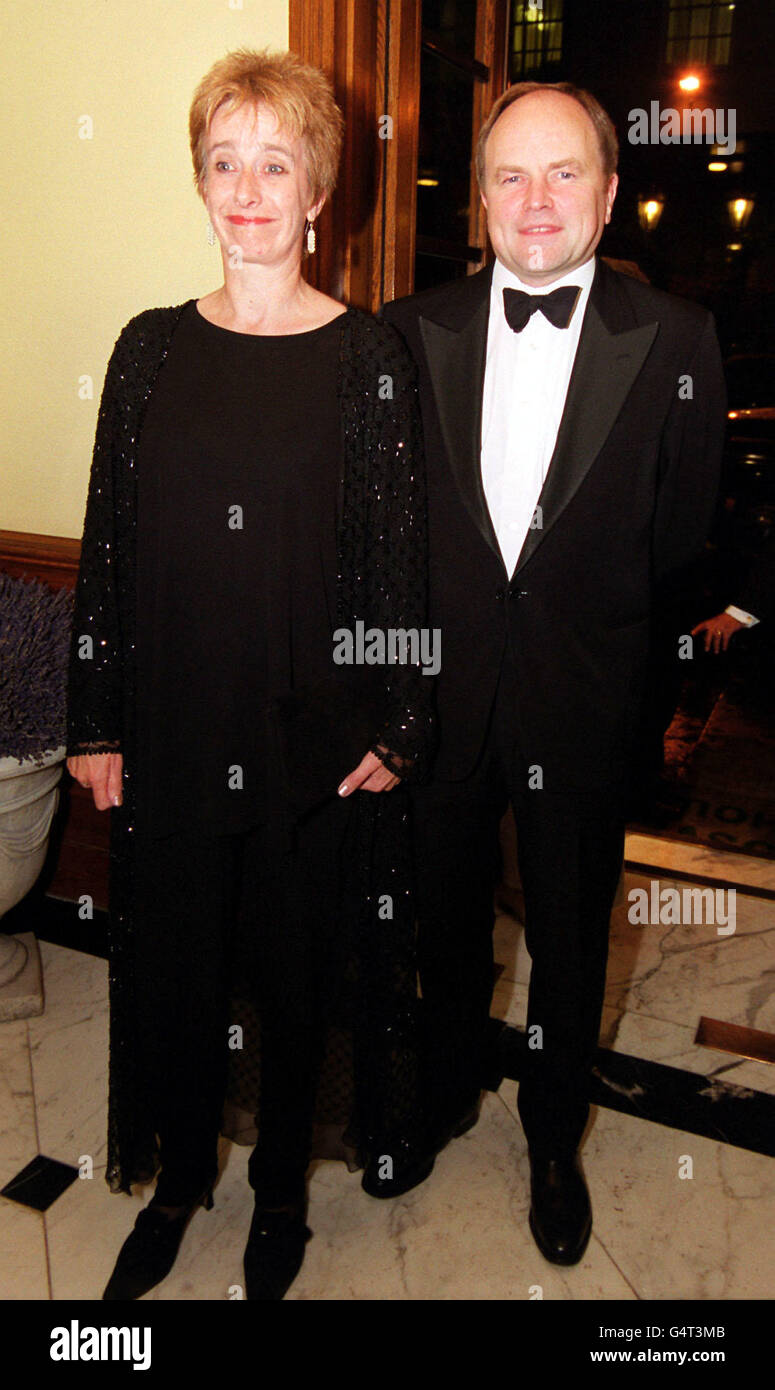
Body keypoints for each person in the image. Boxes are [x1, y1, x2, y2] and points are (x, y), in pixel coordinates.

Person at [66, 47, 432, 1302]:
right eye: (225, 161)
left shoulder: (366, 362)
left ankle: (280, 1187)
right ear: (203, 183)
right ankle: (176, 1180)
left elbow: (400, 571)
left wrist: (402, 716)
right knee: (172, 965)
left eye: (275, 162)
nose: (247, 188)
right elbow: (106, 549)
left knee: (290, 974)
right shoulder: (147, 352)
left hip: (307, 746)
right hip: (170, 728)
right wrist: (94, 717)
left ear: (318, 188)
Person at [384, 81, 726, 1265]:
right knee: (440, 921)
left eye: (563, 171)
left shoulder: (676, 339)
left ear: (610, 191)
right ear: (478, 199)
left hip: (586, 705)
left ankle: (548, 1131)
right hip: (441, 701)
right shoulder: (404, 329)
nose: (536, 199)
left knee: (572, 937)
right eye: (510, 175)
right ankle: (440, 1088)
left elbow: (683, 539)